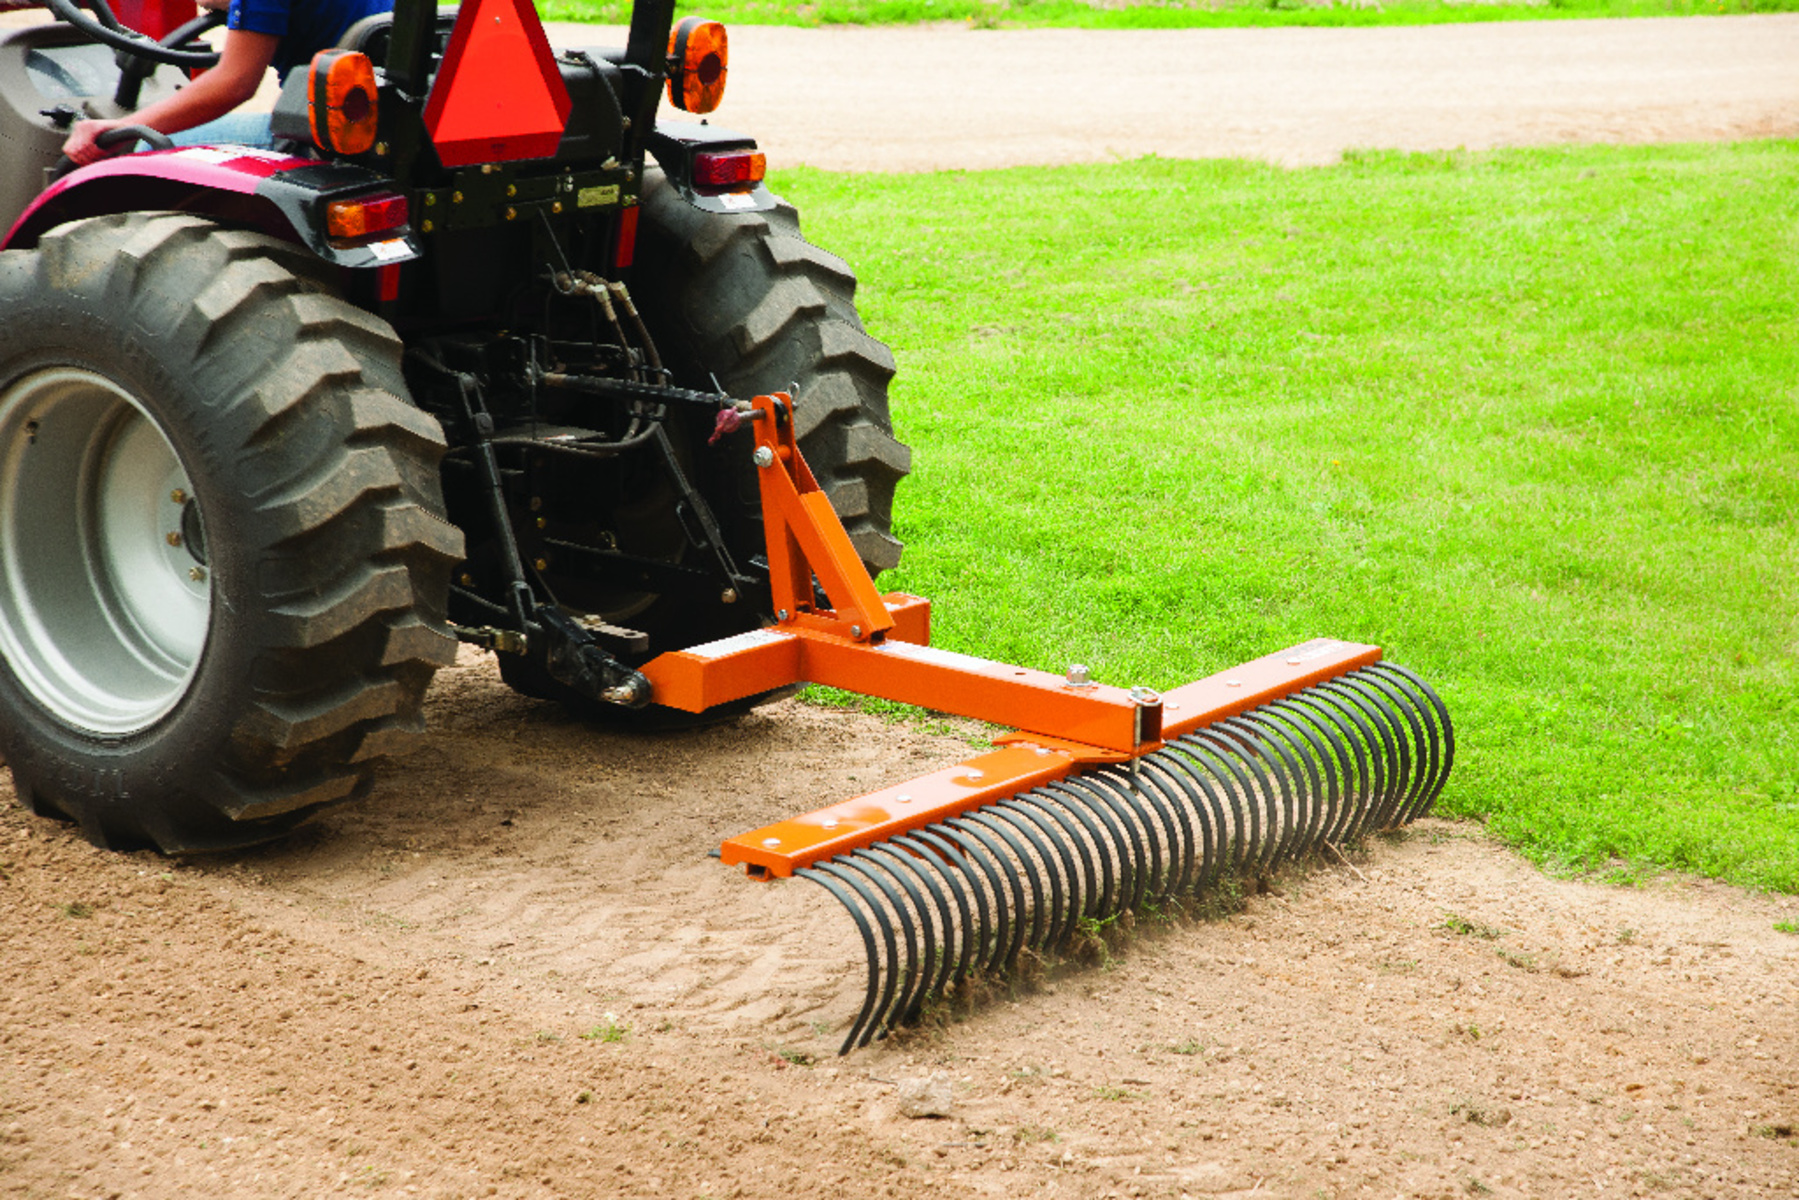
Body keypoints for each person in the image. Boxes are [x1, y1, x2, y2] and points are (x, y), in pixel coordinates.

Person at [62, 0, 392, 165]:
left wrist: (122, 129)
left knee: (148, 145)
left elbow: (234, 84)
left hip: (322, 141)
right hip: (387, 125)